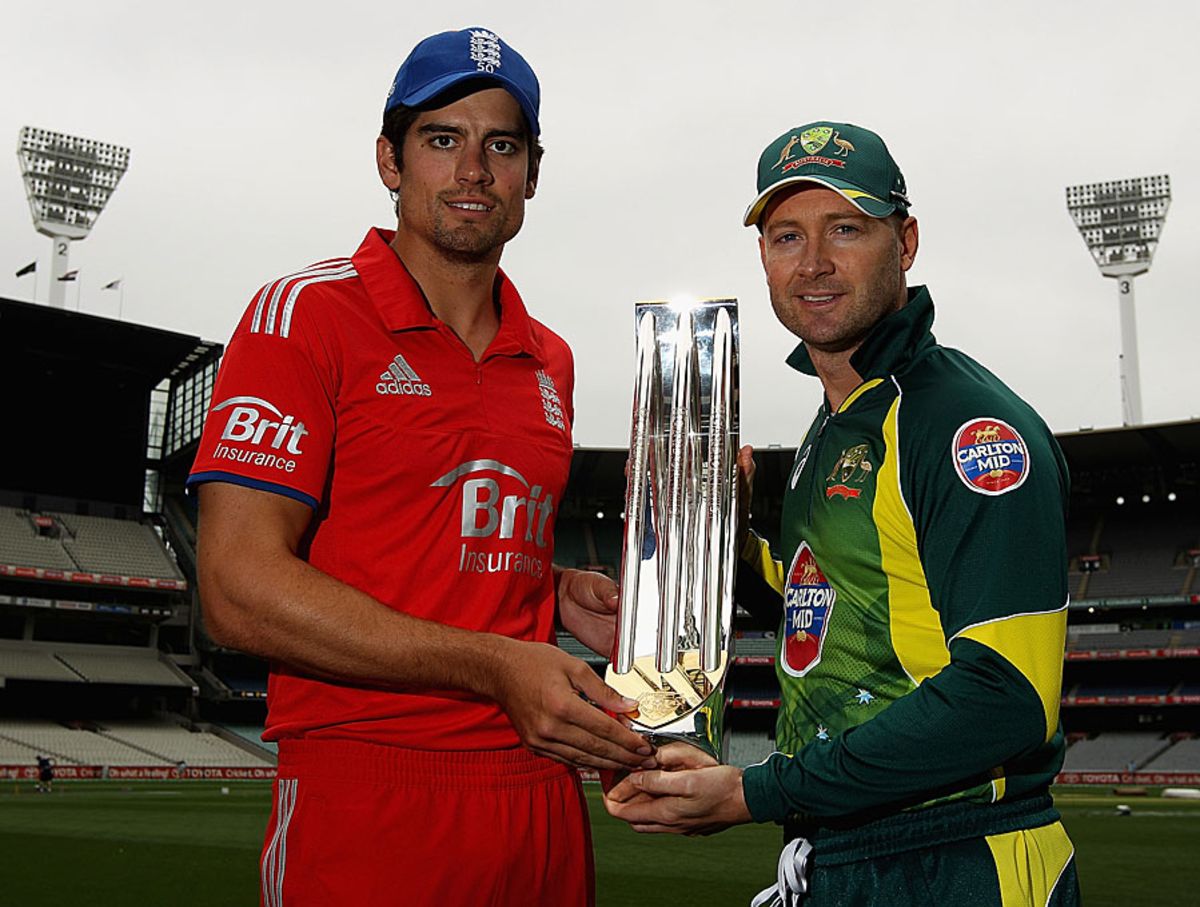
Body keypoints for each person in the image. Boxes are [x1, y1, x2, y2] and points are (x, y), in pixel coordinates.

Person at [188, 27, 653, 906]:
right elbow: (237, 584)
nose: (474, 168)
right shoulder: (303, 316)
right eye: (443, 139)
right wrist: (493, 663)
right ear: (389, 160)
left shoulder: (549, 357)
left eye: (501, 144)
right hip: (367, 791)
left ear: (532, 174)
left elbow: (417, 528)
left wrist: (550, 592)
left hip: (538, 793)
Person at [605, 121, 1081, 905]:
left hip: (960, 855)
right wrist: (704, 534)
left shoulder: (965, 427)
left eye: (846, 228)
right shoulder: (835, 426)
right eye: (787, 235)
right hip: (846, 849)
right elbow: (824, 605)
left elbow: (1007, 697)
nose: (814, 262)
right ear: (762, 257)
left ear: (907, 240)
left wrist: (755, 792)